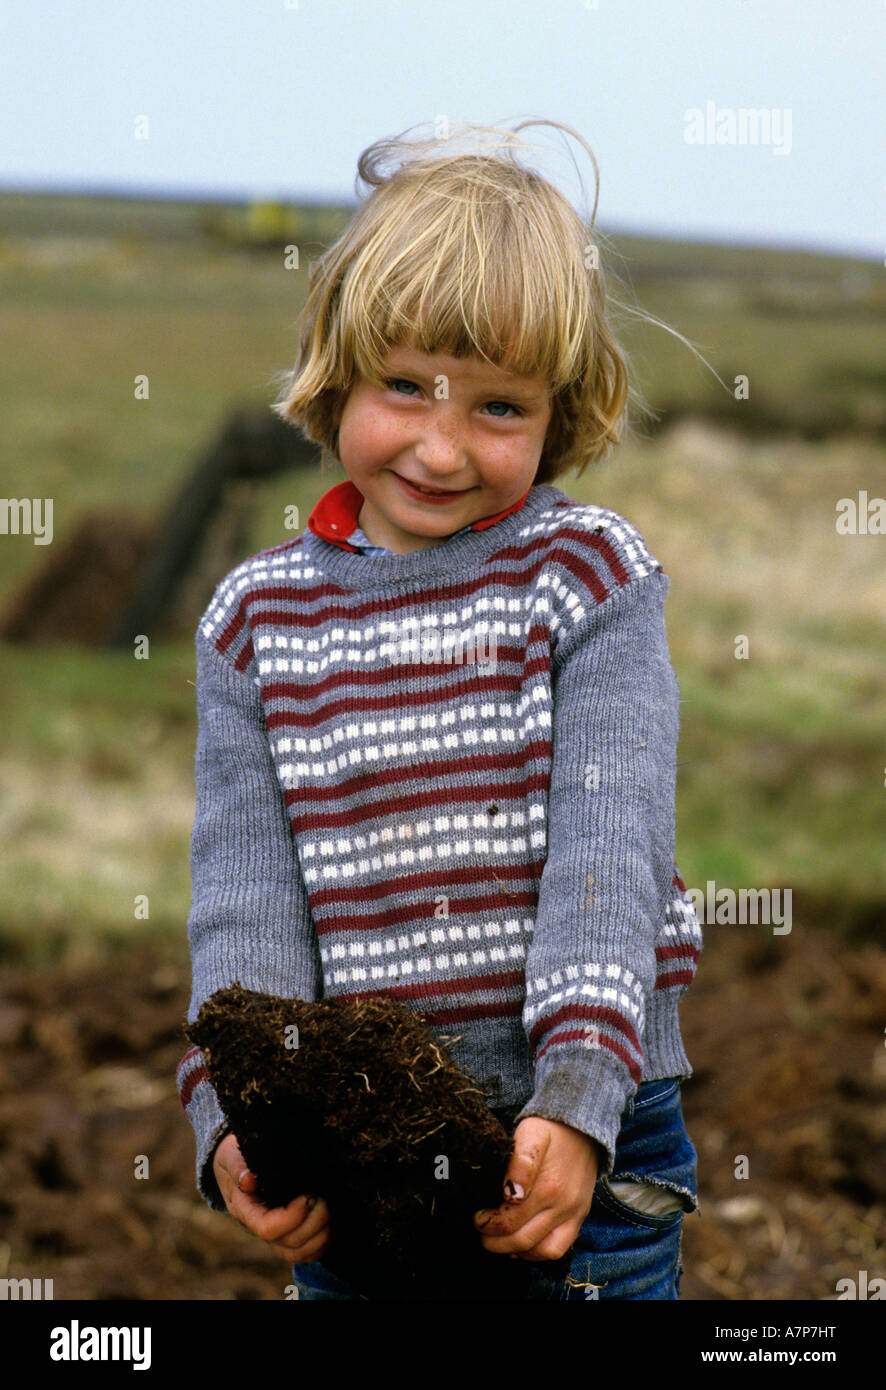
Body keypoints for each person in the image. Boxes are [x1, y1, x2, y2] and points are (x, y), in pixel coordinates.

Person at [176, 118, 703, 1301]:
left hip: (584, 1142)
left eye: (498, 408)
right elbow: (243, 903)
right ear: (336, 366)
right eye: (404, 386)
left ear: (560, 408)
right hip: (359, 1163)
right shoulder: (253, 623)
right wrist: (232, 1114)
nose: (440, 445)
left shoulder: (588, 578)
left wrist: (577, 1093)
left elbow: (608, 860)